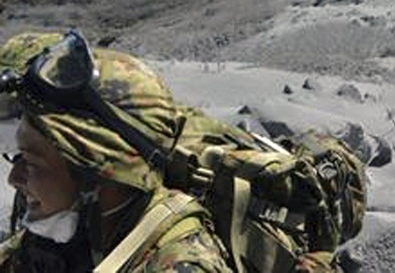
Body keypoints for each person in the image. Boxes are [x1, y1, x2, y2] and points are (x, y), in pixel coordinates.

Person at [0, 30, 233, 272]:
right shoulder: (75, 229)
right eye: (16, 157)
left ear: (94, 170)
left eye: (30, 161)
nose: (13, 178)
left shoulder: (177, 263)